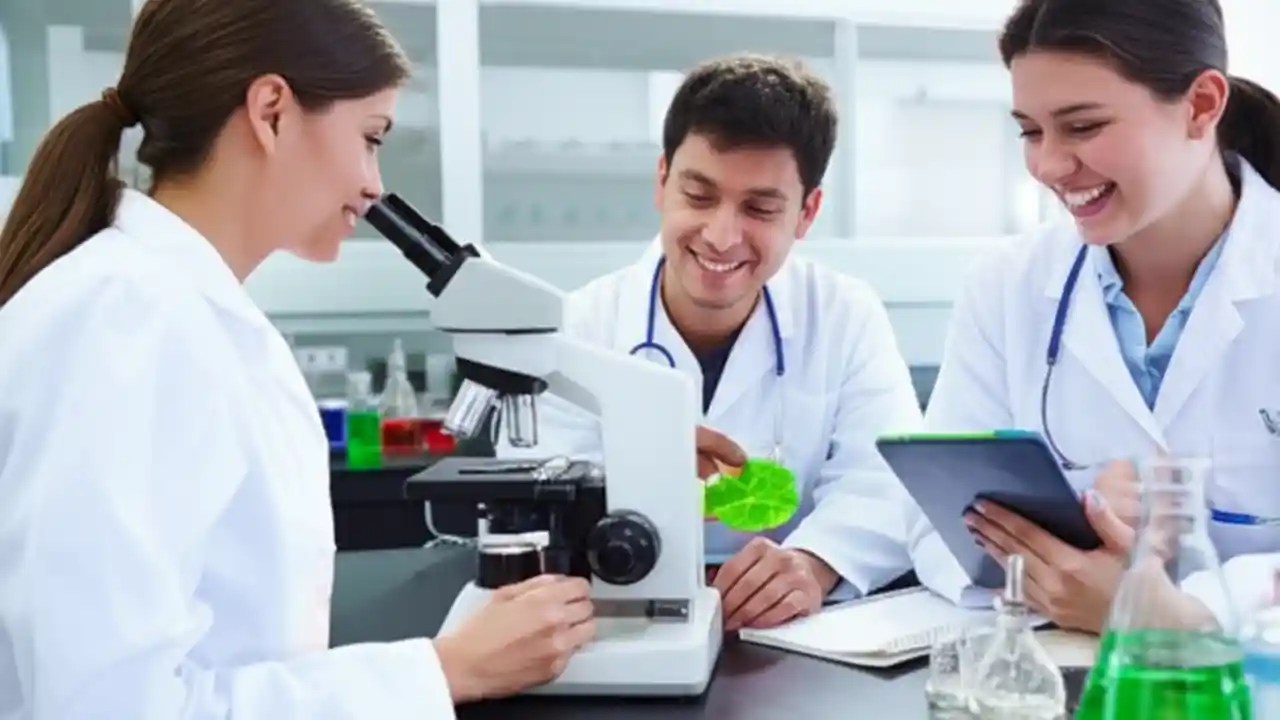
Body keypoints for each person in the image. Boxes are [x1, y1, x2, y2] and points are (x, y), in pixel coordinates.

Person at [0, 1, 597, 717]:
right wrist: (441, 672)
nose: (376, 185)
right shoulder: (126, 322)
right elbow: (107, 706)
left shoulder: (177, 308)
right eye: (370, 138)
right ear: (272, 111)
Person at [497, 53, 925, 633]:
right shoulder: (583, 326)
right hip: (621, 621)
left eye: (760, 208)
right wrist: (645, 473)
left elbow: (887, 480)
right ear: (662, 181)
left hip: (793, 635)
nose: (722, 236)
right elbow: (533, 499)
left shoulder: (845, 316)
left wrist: (816, 562)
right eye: (698, 197)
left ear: (807, 213)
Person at [909, 0, 1280, 634]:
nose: (1048, 166)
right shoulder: (1009, 284)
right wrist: (1073, 547)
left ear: (1200, 106)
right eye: (1030, 131)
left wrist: (1178, 612)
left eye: (1082, 127)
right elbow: (933, 522)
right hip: (1061, 668)